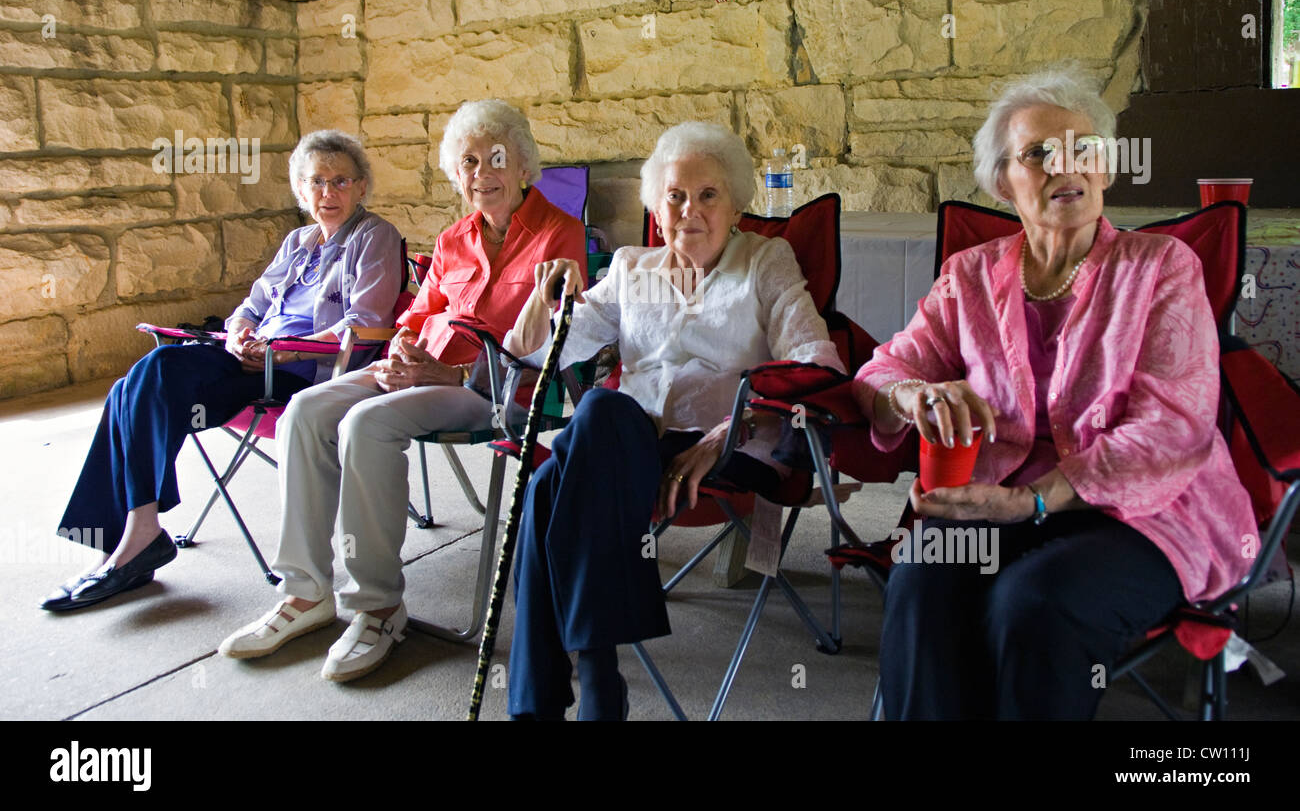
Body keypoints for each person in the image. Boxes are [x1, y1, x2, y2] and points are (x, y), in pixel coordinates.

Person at [855, 66, 1259, 719]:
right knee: (924, 578)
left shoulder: (1159, 267)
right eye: (1038, 153)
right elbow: (881, 373)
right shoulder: (970, 277)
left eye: (1083, 149)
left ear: (1105, 170)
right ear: (1001, 180)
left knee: (1034, 599)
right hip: (994, 503)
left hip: (1142, 514)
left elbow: (1172, 426)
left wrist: (1034, 500)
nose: (1063, 166)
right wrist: (914, 398)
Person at [218, 99, 587, 683]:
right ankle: (307, 593)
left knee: (366, 424)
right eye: (467, 162)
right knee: (305, 411)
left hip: (493, 388)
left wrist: (450, 375)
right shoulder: (452, 240)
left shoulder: (558, 233)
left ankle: (378, 606)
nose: (481, 173)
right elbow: (418, 313)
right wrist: (398, 353)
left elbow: (555, 341)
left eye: (495, 158)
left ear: (524, 166)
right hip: (419, 371)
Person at [501, 121, 842, 719]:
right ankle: (599, 675)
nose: (690, 210)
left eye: (708, 194)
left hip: (724, 443)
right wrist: (546, 290)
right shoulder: (632, 267)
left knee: (547, 485)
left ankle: (556, 694)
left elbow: (818, 360)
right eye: (675, 196)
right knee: (603, 411)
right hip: (625, 439)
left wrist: (726, 433)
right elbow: (540, 349)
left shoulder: (766, 261)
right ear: (656, 206)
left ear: (736, 203)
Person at [42, 131, 403, 612]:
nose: (328, 193)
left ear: (361, 187)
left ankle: (136, 540)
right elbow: (252, 304)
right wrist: (238, 333)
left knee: (158, 371)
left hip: (301, 371)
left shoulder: (374, 237)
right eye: (316, 182)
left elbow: (367, 324)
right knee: (127, 388)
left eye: (340, 181)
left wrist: (284, 352)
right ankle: (132, 537)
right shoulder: (299, 241)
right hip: (253, 358)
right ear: (301, 189)